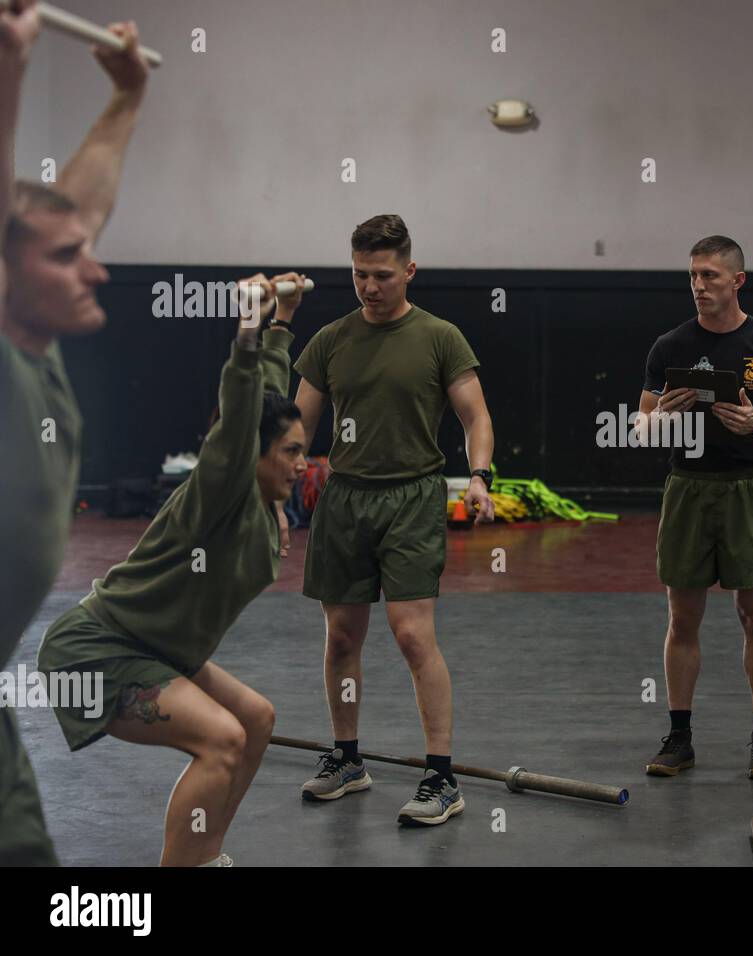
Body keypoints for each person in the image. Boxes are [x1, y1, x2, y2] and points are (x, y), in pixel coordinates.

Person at [38, 274, 310, 866]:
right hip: (95, 651)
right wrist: (246, 329)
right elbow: (242, 414)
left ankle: (204, 853)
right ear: (252, 455)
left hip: (159, 650)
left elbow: (266, 401)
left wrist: (282, 323)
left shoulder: (265, 504)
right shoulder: (219, 493)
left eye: (302, 449)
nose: (301, 461)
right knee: (222, 738)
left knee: (255, 720)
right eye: (290, 451)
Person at [0, 3, 149, 865]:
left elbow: (74, 210)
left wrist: (127, 97)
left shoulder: (37, 347)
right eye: (63, 259)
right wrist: (11, 69)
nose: (94, 266)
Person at [292, 214, 494, 826]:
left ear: (409, 271)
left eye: (381, 275)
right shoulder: (330, 339)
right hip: (345, 500)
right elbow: (297, 427)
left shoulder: (439, 337)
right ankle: (348, 759)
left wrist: (481, 476)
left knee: (412, 635)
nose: (369, 287)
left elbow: (474, 416)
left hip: (411, 498)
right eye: (358, 274)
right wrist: (276, 487)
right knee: (343, 638)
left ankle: (442, 776)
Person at [639, 235, 753, 780]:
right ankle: (680, 736)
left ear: (738, 281)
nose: (698, 286)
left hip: (748, 487)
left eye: (710, 276)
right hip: (688, 488)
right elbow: (640, 428)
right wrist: (663, 415)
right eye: (692, 275)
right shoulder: (669, 346)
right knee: (682, 618)